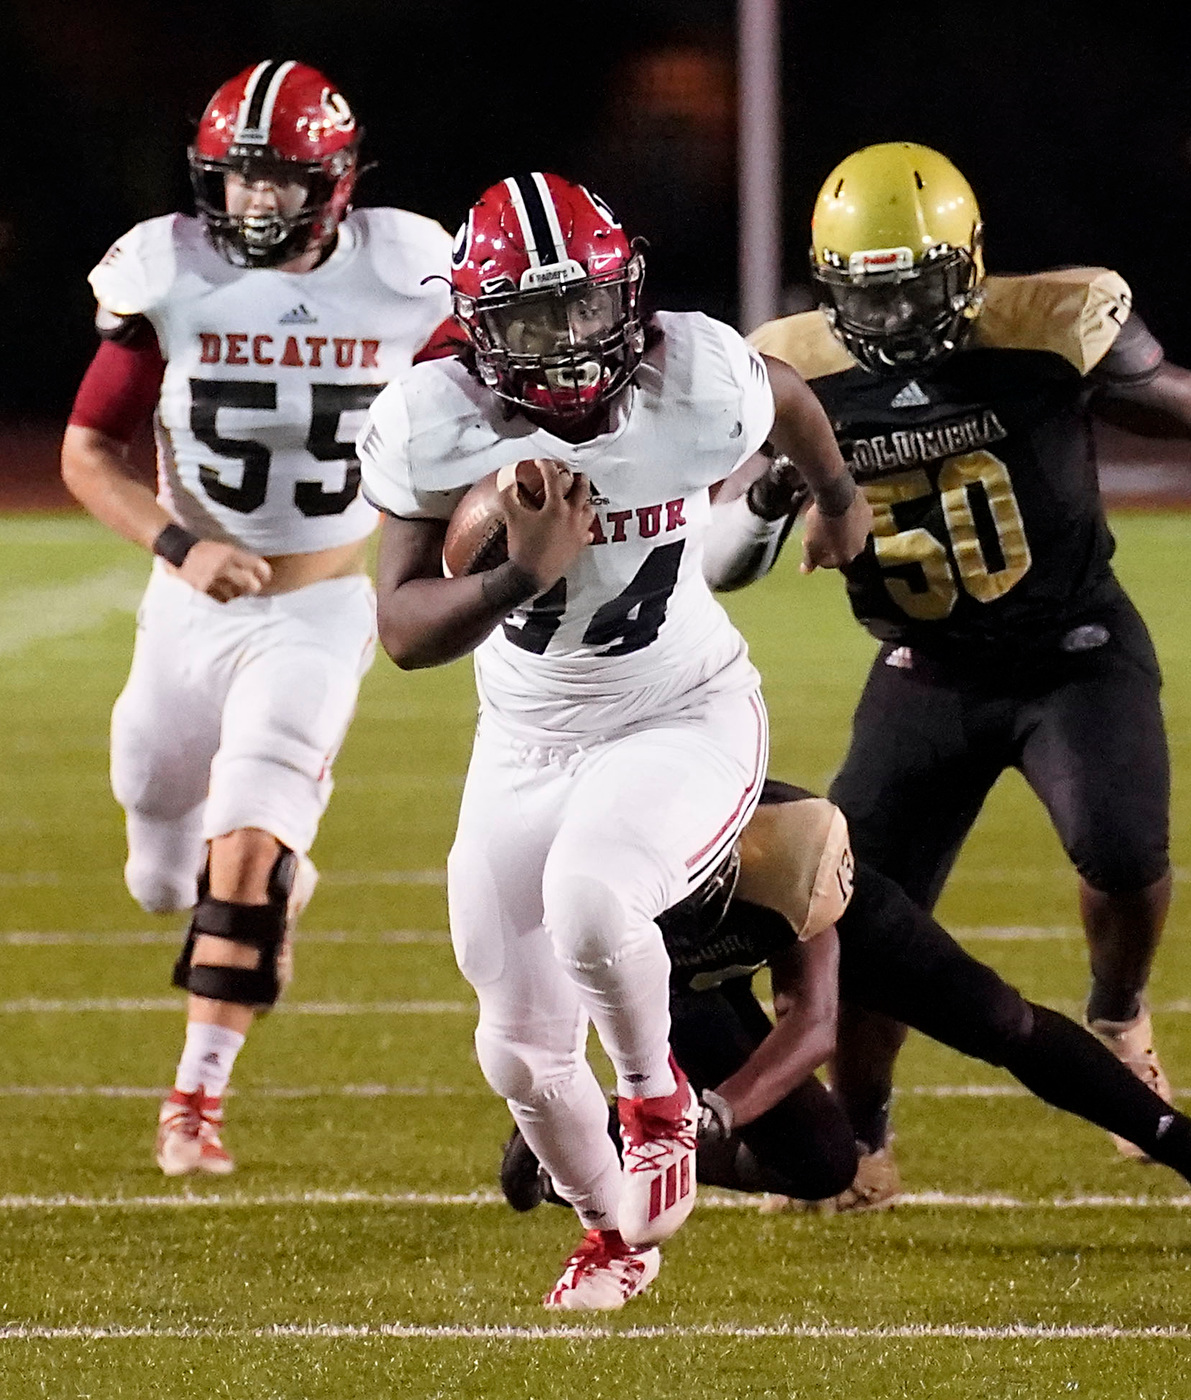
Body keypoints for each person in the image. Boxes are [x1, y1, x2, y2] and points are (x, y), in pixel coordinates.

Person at [355, 171, 871, 1310]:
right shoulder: (433, 417)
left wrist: (835, 493)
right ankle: (612, 1234)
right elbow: (398, 629)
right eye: (536, 320)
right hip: (527, 738)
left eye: (587, 306)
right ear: (482, 330)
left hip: (679, 707)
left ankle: (655, 1106)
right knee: (519, 1051)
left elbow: (781, 389)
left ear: (626, 287)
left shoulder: (689, 372)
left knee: (594, 898)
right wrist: (520, 576)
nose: (574, 340)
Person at [703, 140, 1187, 1206]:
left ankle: (1119, 1009)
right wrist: (780, 492)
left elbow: (1169, 400)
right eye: (864, 295)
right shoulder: (791, 367)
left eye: (913, 288)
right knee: (864, 923)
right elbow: (725, 561)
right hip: (922, 669)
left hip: (1072, 652)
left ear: (967, 264)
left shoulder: (1053, 324)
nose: (888, 318)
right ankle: (864, 1139)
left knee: (1121, 845)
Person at [59, 60, 453, 1177]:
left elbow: (466, 405)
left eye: (278, 182)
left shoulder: (410, 271)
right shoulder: (167, 271)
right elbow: (86, 452)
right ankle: (261, 875)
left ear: (335, 184)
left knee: (248, 845)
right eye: (236, 182)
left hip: (323, 605)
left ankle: (195, 1096)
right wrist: (180, 545)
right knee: (157, 856)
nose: (252, 204)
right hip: (188, 603)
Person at [500, 780, 1191, 1213]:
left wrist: (714, 1112)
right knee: (817, 1165)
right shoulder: (581, 886)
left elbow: (813, 1018)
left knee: (994, 1017)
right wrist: (676, 1115)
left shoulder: (788, 849)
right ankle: (598, 1141)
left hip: (788, 905)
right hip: (676, 978)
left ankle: (1179, 1144)